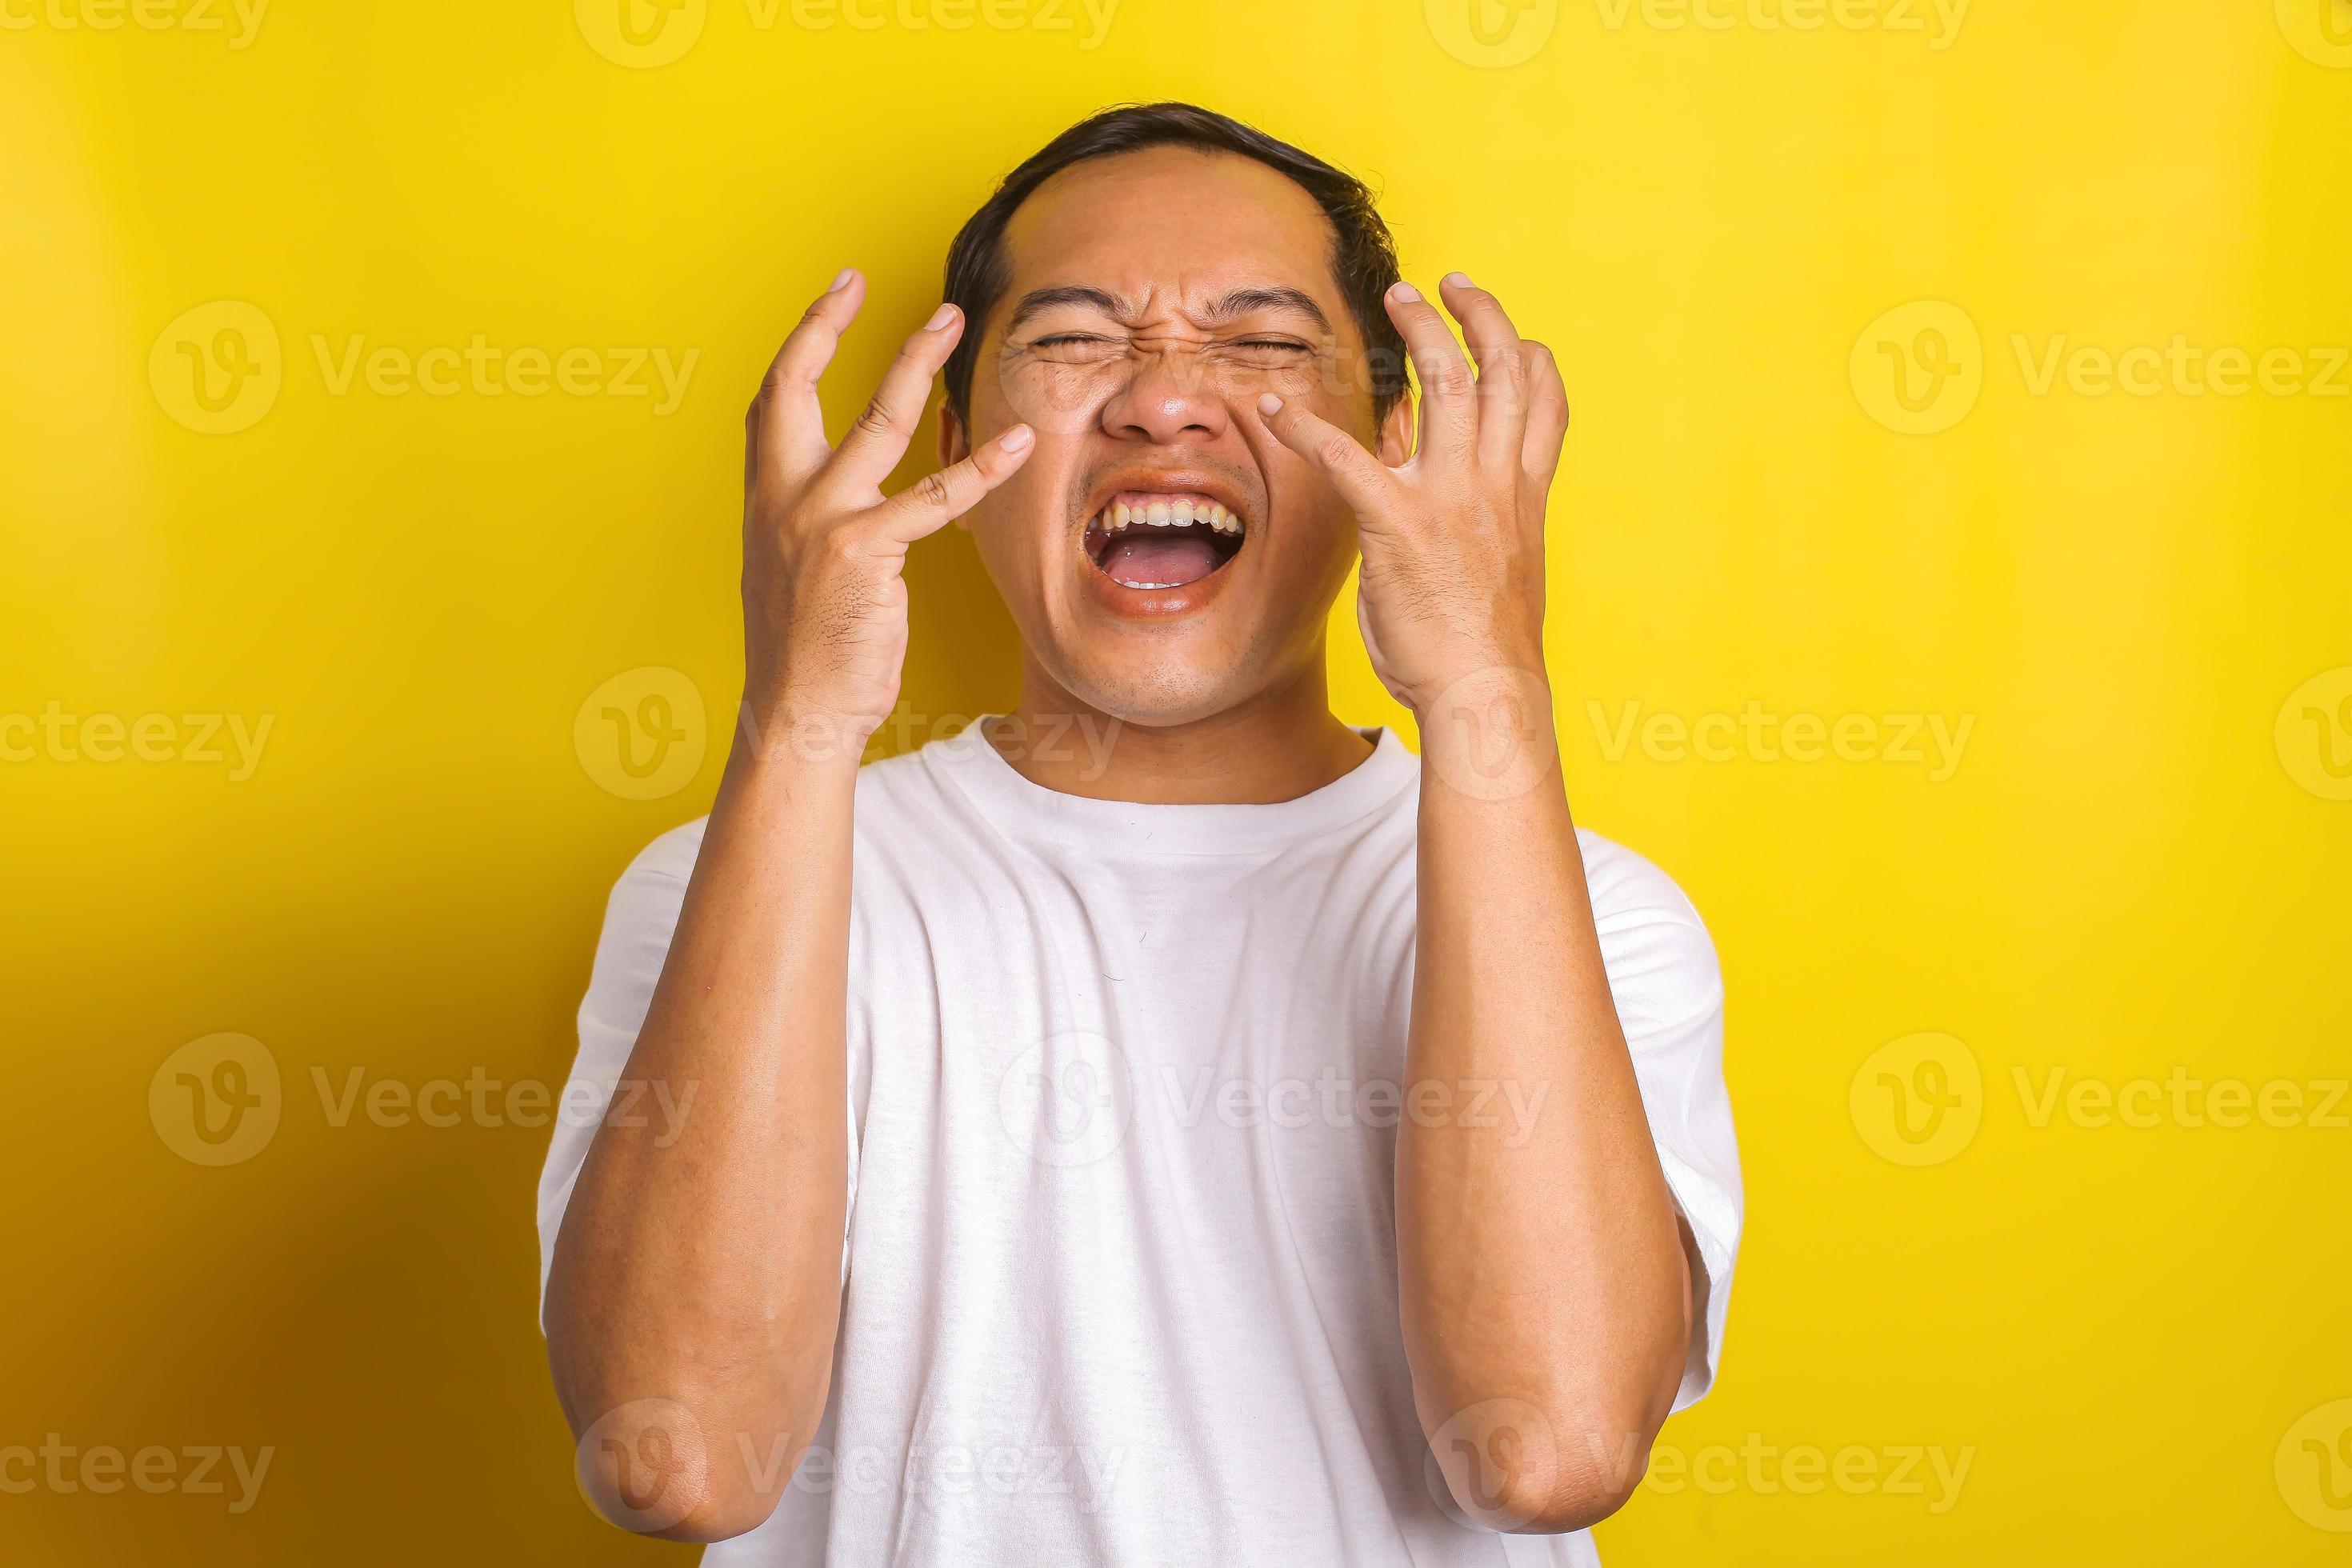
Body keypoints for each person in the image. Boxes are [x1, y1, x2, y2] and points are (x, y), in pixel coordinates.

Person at [537, 101, 1741, 1567]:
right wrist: (794, 724)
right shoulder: (727, 887)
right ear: (959, 439)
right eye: (1077, 337)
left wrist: (1487, 686)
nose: (1165, 402)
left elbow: (1548, 1447)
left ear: (1393, 443)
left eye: (1265, 344)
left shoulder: (1604, 922)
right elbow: (678, 1454)